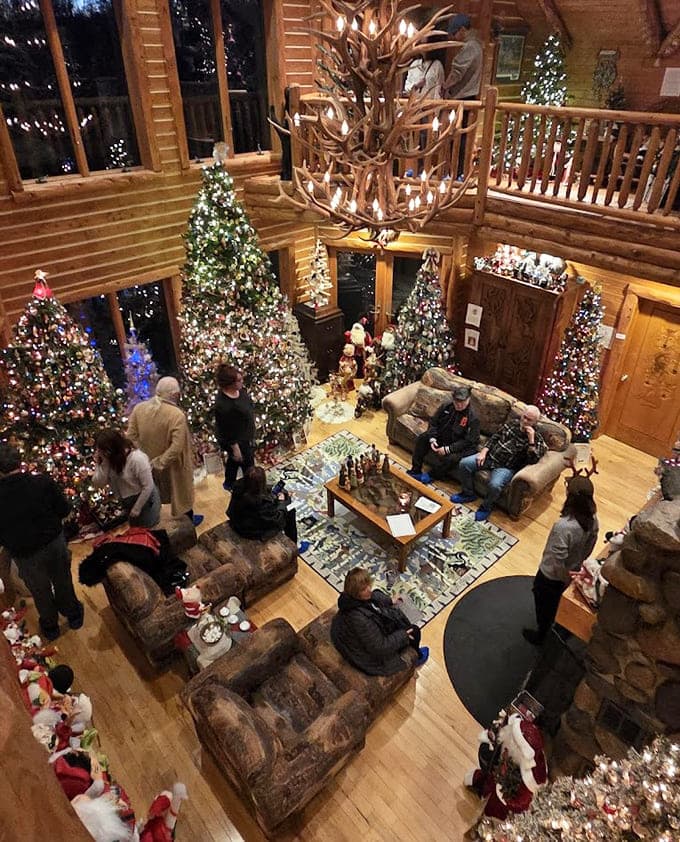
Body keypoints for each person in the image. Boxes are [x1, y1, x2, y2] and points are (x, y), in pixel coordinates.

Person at [0, 444, 83, 641]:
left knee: (40, 590)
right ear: (19, 462)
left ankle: (50, 625)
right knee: (63, 580)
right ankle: (73, 614)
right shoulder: (42, 483)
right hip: (54, 543)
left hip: (24, 554)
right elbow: (63, 509)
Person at [523, 475, 599, 645]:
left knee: (543, 602)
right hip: (573, 571)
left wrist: (563, 577)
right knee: (556, 603)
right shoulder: (593, 519)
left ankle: (541, 635)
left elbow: (555, 560)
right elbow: (591, 544)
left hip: (551, 577)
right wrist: (576, 568)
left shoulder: (564, 527)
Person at [127, 377, 203, 527]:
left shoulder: (139, 408)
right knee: (181, 493)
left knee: (154, 492)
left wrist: (144, 456)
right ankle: (189, 520)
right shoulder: (176, 415)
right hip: (174, 465)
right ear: (175, 395)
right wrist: (159, 462)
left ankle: (155, 520)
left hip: (147, 462)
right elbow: (177, 447)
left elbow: (130, 435)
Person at [452, 405, 547, 522]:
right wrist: (483, 451)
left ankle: (485, 507)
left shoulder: (537, 439)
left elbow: (532, 461)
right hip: (490, 457)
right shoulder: (512, 424)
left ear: (535, 422)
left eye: (529, 420)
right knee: (464, 463)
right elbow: (495, 437)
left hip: (506, 467)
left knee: (495, 485)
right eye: (524, 417)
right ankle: (468, 493)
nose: (525, 421)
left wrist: (531, 441)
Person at [330, 567, 429, 675]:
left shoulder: (352, 597)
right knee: (414, 631)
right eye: (363, 589)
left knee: (380, 595)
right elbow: (380, 647)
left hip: (369, 631)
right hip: (373, 657)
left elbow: (373, 595)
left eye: (368, 584)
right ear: (355, 593)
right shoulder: (360, 620)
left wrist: (390, 600)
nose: (369, 589)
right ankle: (417, 656)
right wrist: (403, 635)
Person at [407, 385, 480, 483]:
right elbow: (433, 422)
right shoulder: (447, 405)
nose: (459, 405)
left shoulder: (473, 417)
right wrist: (432, 438)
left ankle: (433, 475)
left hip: (460, 446)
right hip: (443, 436)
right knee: (423, 438)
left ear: (468, 399)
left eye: (462, 402)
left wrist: (448, 449)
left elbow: (469, 441)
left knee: (451, 459)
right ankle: (415, 469)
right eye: (456, 401)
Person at [92, 429, 160, 528]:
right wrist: (103, 463)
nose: (101, 453)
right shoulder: (108, 461)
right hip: (126, 502)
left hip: (145, 500)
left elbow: (148, 486)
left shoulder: (137, 459)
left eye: (104, 451)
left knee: (147, 532)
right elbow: (98, 483)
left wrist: (137, 508)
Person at [444, 13, 483, 178]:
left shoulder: (470, 47)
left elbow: (458, 71)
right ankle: (455, 172)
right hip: (465, 97)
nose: (454, 38)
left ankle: (456, 173)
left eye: (454, 33)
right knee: (458, 138)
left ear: (462, 30)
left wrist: (445, 86)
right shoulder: (475, 46)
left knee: (458, 139)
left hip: (464, 98)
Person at [227, 466, 297, 544]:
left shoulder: (239, 486)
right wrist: (281, 502)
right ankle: (293, 543)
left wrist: (271, 491)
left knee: (279, 500)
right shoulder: (260, 502)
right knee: (290, 511)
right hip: (250, 531)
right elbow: (276, 519)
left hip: (237, 521)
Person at [214, 364, 255, 492]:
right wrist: (235, 448)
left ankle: (229, 482)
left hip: (245, 435)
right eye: (238, 380)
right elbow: (226, 430)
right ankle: (249, 488)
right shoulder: (223, 405)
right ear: (229, 384)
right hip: (235, 440)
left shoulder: (240, 391)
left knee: (235, 461)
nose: (242, 381)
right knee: (247, 463)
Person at [404, 32, 447, 100]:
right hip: (413, 106)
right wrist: (416, 86)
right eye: (420, 43)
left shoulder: (437, 65)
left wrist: (435, 108)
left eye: (424, 44)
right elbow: (407, 88)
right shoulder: (414, 64)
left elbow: (438, 90)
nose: (421, 46)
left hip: (430, 105)